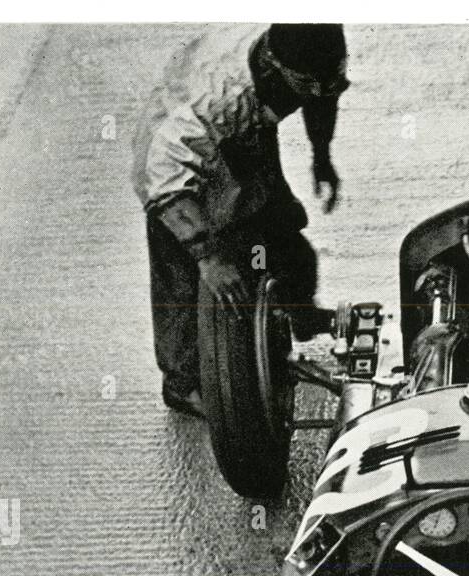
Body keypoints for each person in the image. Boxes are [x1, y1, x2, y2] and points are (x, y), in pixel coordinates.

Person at [132, 23, 348, 417]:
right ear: (273, 68)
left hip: (239, 129)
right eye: (307, 86)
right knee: (182, 271)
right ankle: (182, 383)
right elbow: (162, 177)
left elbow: (321, 96)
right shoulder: (216, 98)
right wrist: (207, 256)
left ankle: (293, 309)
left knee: (268, 226)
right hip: (168, 159)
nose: (318, 93)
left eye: (326, 82)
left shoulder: (306, 59)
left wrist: (321, 156)